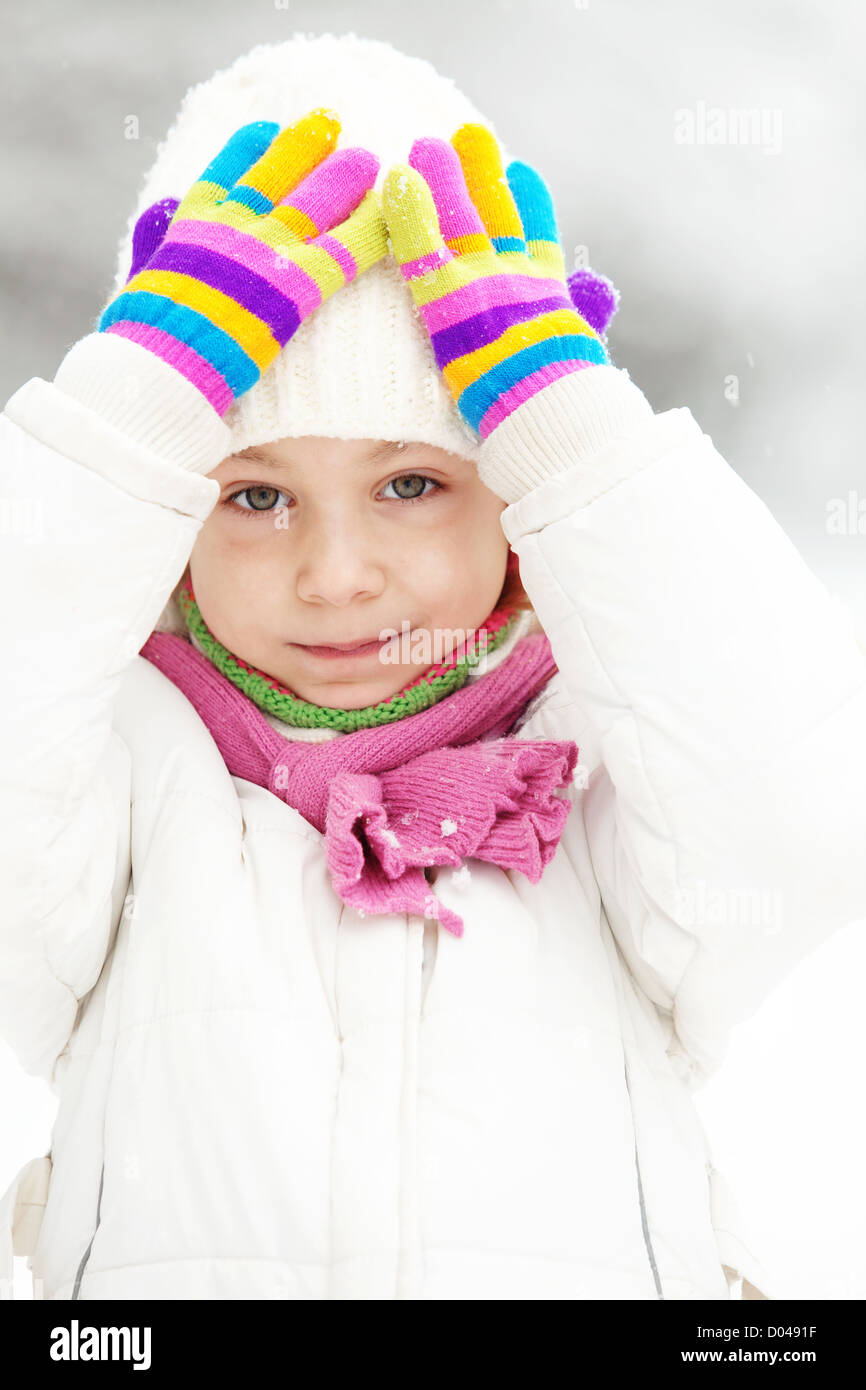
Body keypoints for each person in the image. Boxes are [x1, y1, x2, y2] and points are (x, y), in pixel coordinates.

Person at [2, 32, 865, 1302]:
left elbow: (792, 809)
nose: (336, 574)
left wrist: (566, 426)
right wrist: (134, 403)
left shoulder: (609, 778)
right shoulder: (116, 777)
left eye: (412, 483)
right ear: (170, 511)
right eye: (253, 496)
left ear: (512, 498)